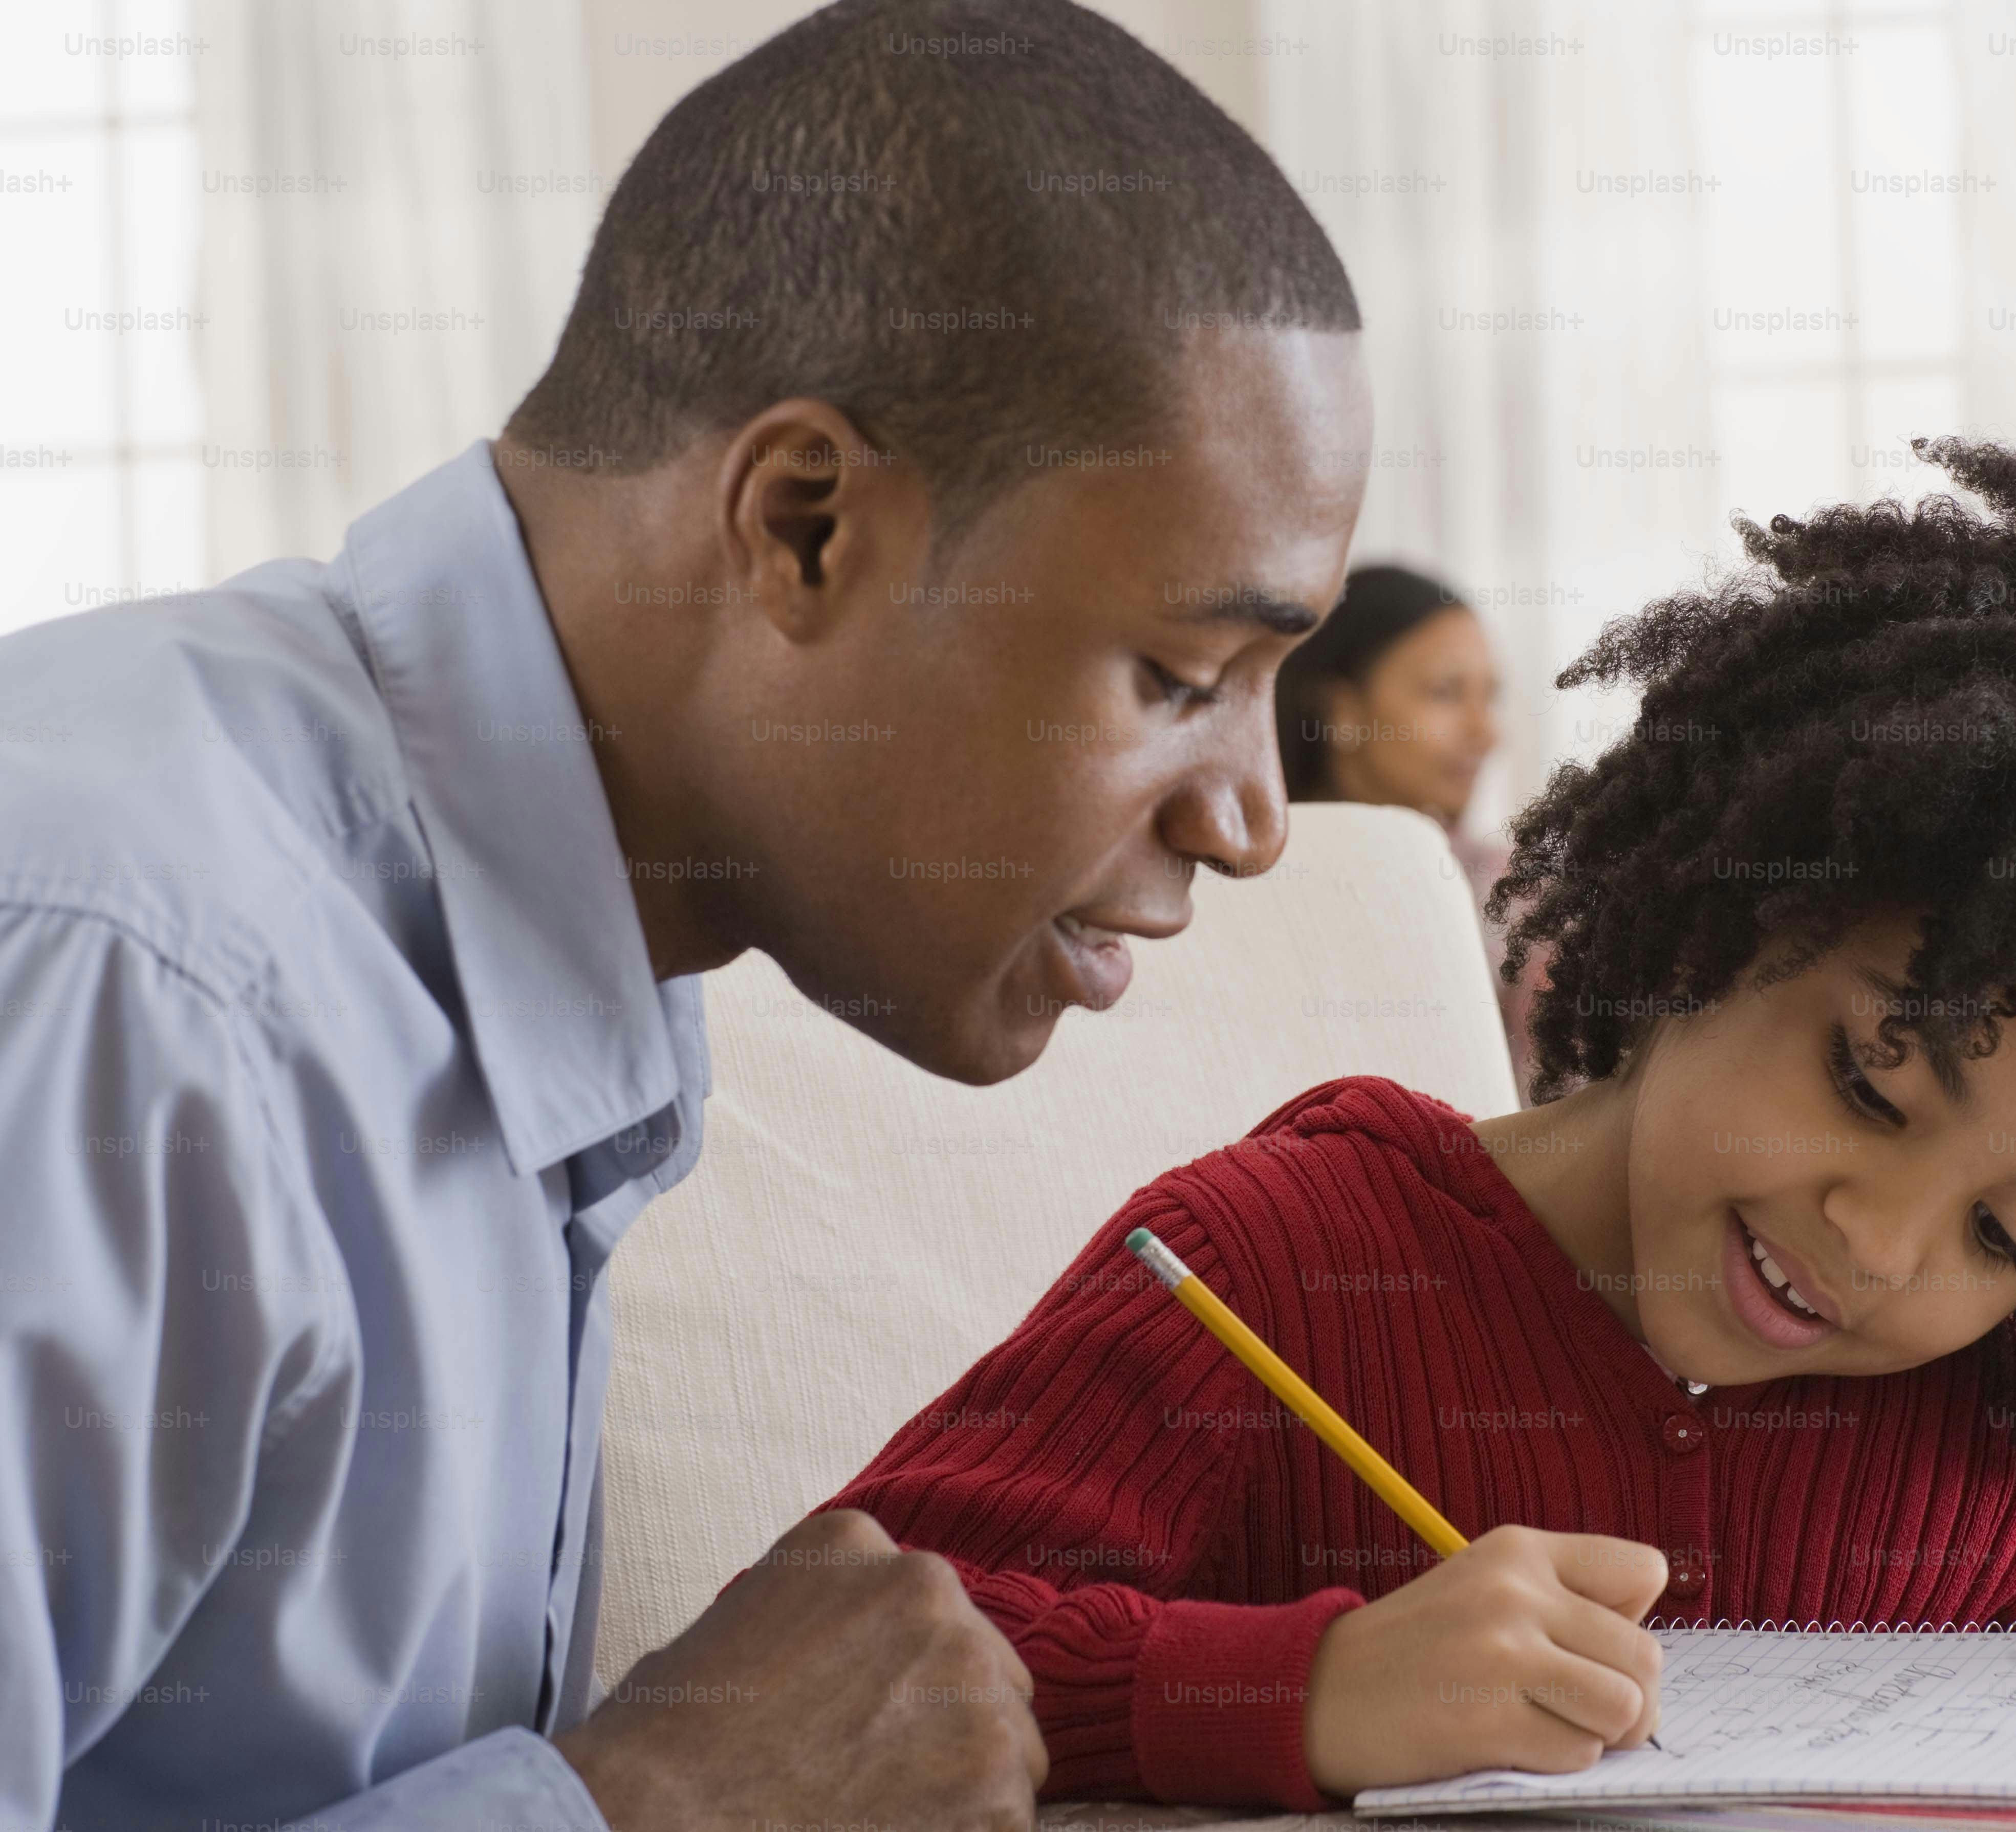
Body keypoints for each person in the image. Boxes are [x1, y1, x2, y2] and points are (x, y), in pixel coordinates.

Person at [0, 3, 1372, 1828]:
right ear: (802, 523)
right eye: (1186, 669)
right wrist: (655, 1802)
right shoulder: (137, 981)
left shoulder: (589, 953)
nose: (1255, 818)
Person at [819, 441, 2016, 1808]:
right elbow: (831, 1664)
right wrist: (1310, 1691)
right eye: (1866, 1081)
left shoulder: (2014, 1495)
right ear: (1716, 922)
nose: (1877, 1244)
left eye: (2010, 1239)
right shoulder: (1284, 1264)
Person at [1275, 563, 1541, 1086]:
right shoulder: (1238, 875)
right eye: (1446, 692)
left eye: (1490, 697)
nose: (1486, 733)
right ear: (1342, 712)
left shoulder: (1516, 899)